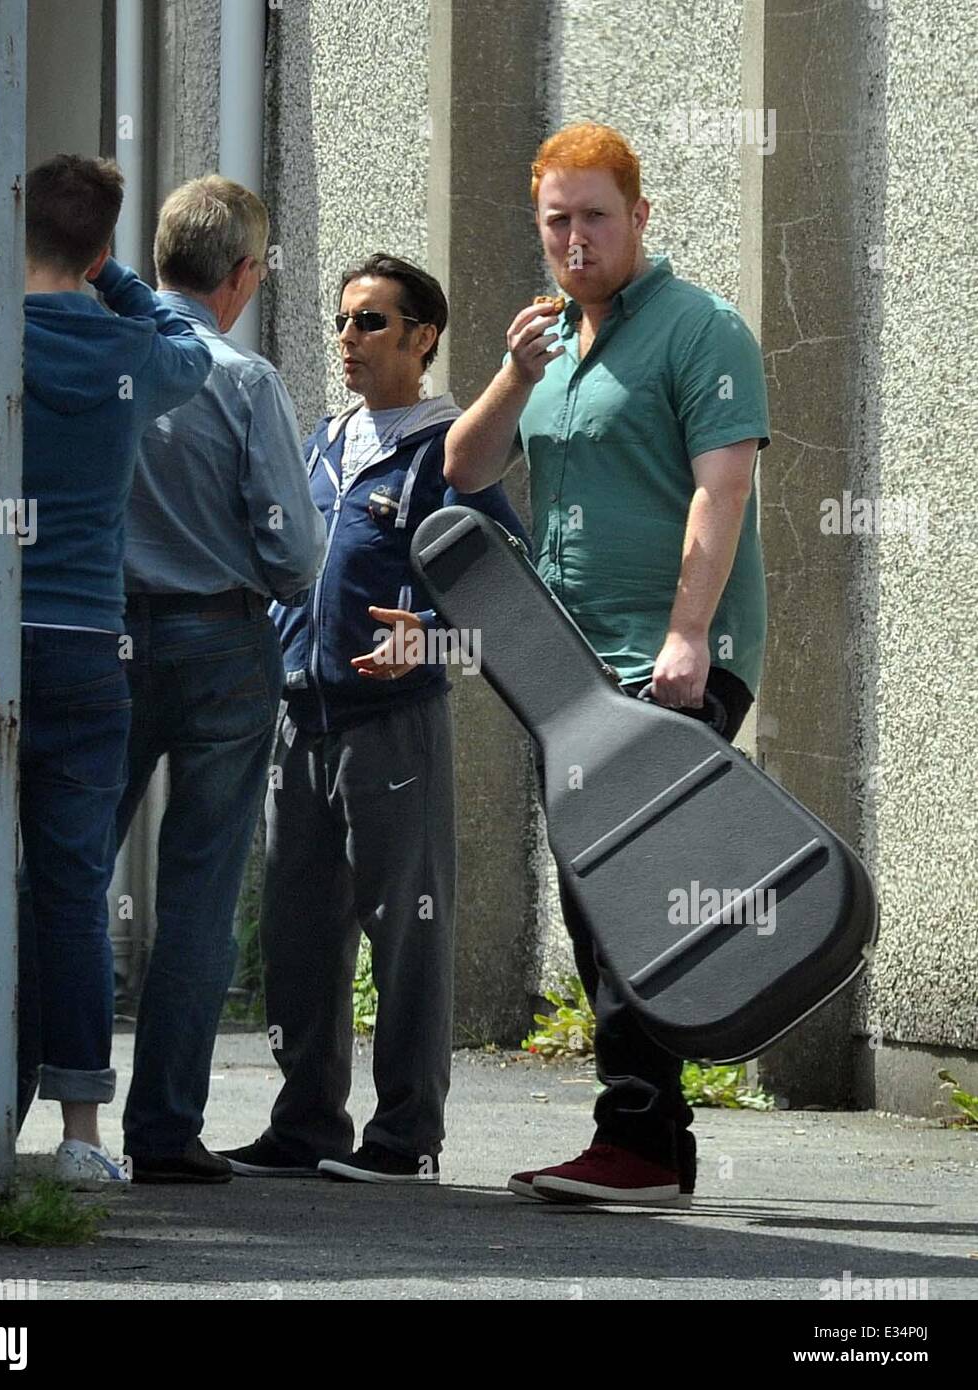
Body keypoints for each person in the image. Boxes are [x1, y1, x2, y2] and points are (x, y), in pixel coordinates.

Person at [445, 121, 770, 1207]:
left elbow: (721, 490)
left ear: (640, 216)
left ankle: (639, 1138)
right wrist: (508, 371)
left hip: (673, 659)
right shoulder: (548, 346)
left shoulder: (698, 329)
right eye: (556, 221)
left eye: (594, 216)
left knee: (628, 887)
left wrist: (686, 636)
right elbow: (466, 465)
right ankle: (647, 1139)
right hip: (565, 671)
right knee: (598, 893)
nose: (575, 239)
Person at [218, 255, 530, 1184]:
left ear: (423, 338)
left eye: (372, 324)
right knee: (300, 928)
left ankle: (405, 1139)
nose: (348, 340)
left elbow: (506, 591)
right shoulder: (321, 441)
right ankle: (306, 1123)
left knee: (407, 929)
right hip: (296, 719)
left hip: (393, 722)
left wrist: (428, 638)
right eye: (344, 322)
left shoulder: (450, 448)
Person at [115, 176, 326, 1184]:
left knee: (59, 880)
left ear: (161, 260)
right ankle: (161, 1131)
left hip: (99, 641)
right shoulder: (241, 382)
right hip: (222, 645)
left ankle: (9, 1108)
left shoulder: (97, 360)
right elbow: (294, 558)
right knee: (198, 896)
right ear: (240, 276)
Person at [17, 155, 212, 1185]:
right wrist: (118, 279)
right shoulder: (133, 352)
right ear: (98, 250)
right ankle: (83, 1134)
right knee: (72, 891)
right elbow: (199, 340)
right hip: (91, 646)